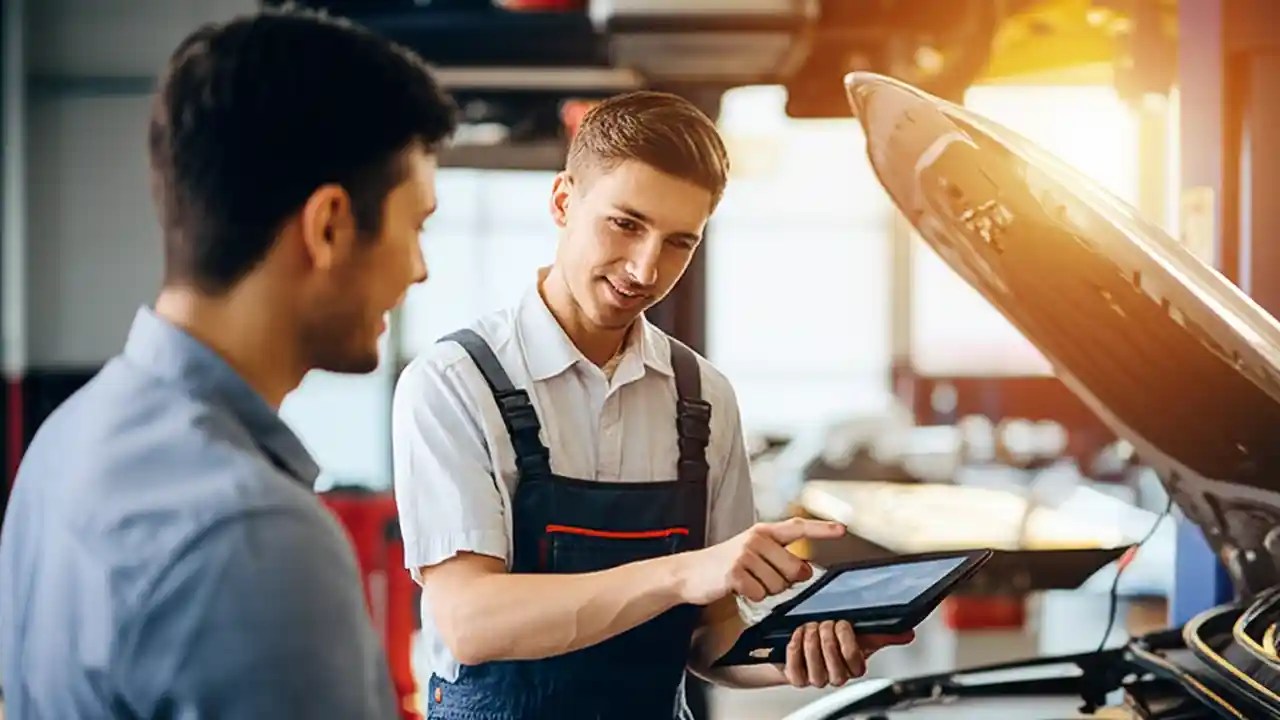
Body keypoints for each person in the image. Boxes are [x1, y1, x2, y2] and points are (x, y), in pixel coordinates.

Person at [391, 91, 914, 719]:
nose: (644, 268)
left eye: (678, 243)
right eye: (626, 223)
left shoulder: (703, 397)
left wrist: (793, 655)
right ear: (563, 200)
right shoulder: (454, 382)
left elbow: (710, 633)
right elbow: (471, 622)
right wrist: (683, 574)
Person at [0, 8, 456, 718]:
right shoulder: (253, 535)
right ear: (329, 225)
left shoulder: (66, 439)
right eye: (416, 225)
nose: (421, 269)